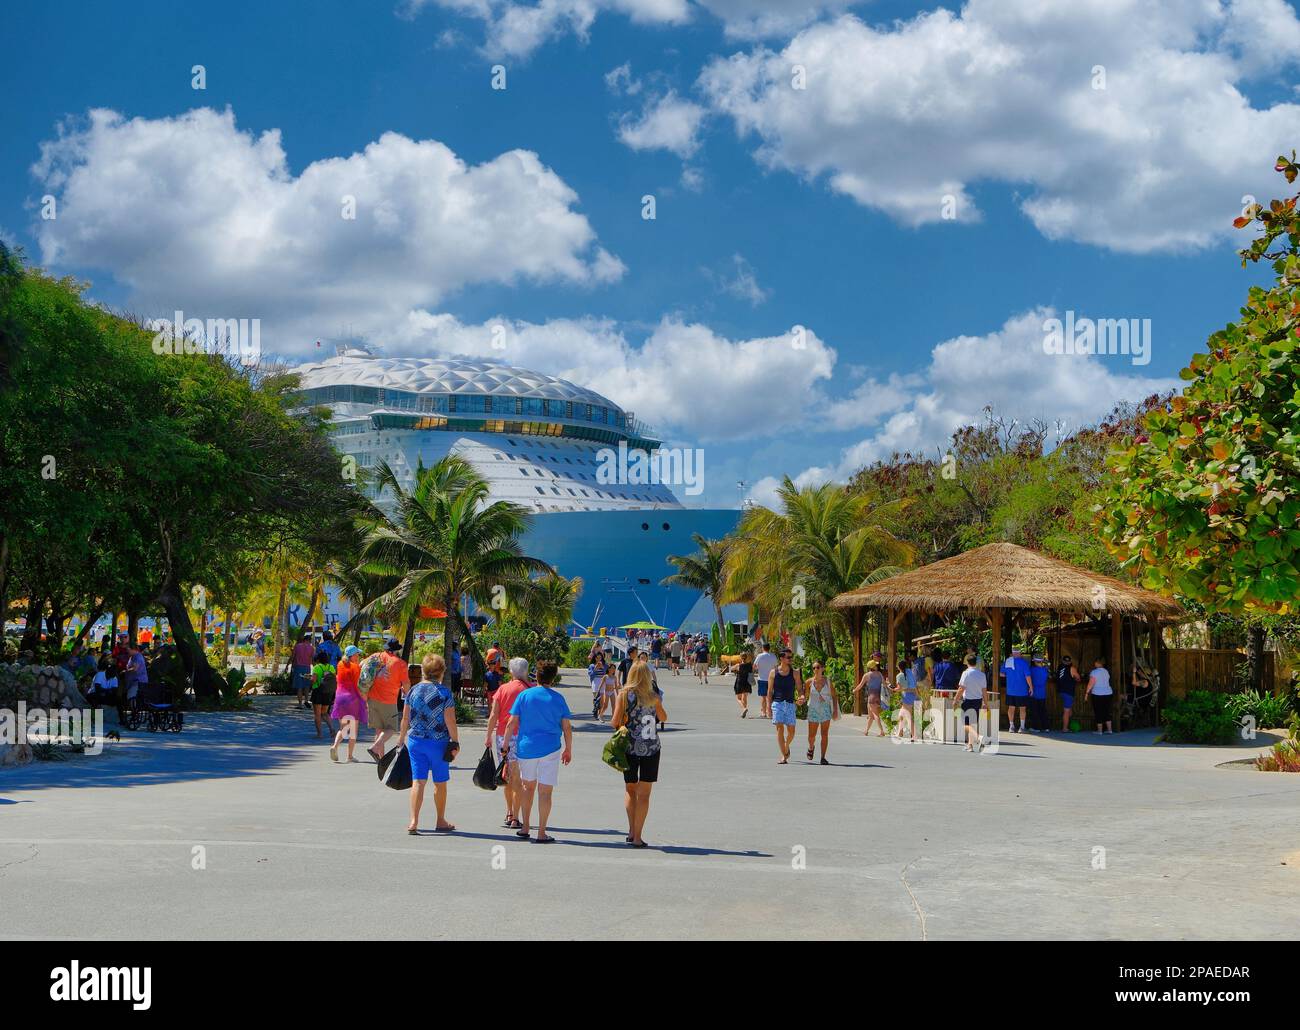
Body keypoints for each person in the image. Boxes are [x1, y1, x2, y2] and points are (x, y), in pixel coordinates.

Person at [503, 660, 572, 844]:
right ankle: (541, 832)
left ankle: (525, 827)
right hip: (550, 748)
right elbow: (566, 727)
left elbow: (512, 722)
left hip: (527, 748)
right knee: (545, 792)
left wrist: (505, 745)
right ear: (553, 677)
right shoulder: (558, 698)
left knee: (528, 788)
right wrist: (568, 749)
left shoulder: (525, 695)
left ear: (537, 676)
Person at [399, 654, 459, 834]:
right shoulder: (444, 693)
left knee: (418, 781)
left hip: (416, 741)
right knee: (440, 783)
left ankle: (414, 821)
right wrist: (455, 741)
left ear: (424, 672)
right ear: (441, 673)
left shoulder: (413, 691)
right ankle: (440, 820)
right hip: (438, 742)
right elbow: (450, 720)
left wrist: (401, 738)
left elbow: (405, 717)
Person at [613, 662, 668, 847]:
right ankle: (637, 836)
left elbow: (614, 722)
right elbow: (664, 717)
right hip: (651, 749)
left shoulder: (623, 695)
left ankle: (630, 830)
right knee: (644, 795)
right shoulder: (654, 696)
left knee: (630, 789)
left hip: (629, 748)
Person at [485, 657, 531, 830]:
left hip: (503, 737)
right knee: (517, 778)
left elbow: (494, 715)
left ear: (511, 671)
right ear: (526, 671)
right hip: (523, 737)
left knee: (507, 776)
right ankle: (516, 817)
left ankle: (509, 812)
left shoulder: (503, 689)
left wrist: (488, 735)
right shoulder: (530, 690)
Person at [366, 638, 410, 761]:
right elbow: (406, 684)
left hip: (372, 698)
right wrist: (408, 694)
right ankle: (375, 748)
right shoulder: (400, 663)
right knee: (391, 728)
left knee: (379, 730)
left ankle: (381, 759)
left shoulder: (376, 656)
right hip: (388, 700)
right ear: (396, 650)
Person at [329, 645, 366, 762]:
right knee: (353, 728)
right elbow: (358, 685)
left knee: (344, 727)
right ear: (353, 656)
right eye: (357, 654)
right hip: (352, 699)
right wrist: (365, 699)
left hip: (340, 698)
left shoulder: (340, 664)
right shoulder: (355, 667)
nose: (358, 656)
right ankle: (350, 756)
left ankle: (335, 746)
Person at [768, 648, 804, 764]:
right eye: (788, 657)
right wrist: (768, 707)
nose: (790, 659)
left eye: (791, 657)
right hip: (777, 703)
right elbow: (769, 691)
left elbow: (799, 688)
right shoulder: (773, 672)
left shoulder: (795, 673)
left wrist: (801, 696)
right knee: (779, 729)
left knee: (791, 731)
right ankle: (784, 756)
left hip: (790, 703)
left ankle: (786, 745)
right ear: (782, 658)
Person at [804, 660, 838, 763]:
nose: (815, 670)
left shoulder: (828, 681)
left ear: (822, 668)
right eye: (814, 668)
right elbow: (805, 696)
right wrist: (801, 700)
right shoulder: (809, 682)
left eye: (818, 667)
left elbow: (834, 696)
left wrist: (835, 710)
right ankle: (811, 747)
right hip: (813, 709)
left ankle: (823, 757)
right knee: (811, 736)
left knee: (824, 734)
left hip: (825, 709)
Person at [955, 653, 987, 752]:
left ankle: (979, 737)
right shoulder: (982, 674)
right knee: (972, 723)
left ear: (967, 663)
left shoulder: (966, 673)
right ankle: (970, 745)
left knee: (965, 724)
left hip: (968, 700)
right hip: (978, 700)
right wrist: (985, 703)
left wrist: (956, 699)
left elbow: (961, 688)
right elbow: (984, 690)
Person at [1002, 646, 1032, 732]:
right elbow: (1028, 676)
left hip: (1011, 690)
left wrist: (1010, 675)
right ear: (1020, 653)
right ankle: (1022, 728)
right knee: (1022, 709)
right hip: (1022, 690)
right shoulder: (1024, 663)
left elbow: (1001, 674)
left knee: (1011, 708)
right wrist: (1031, 687)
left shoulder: (1007, 662)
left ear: (1012, 653)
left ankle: (1011, 726)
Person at [853, 659, 886, 737]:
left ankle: (881, 731)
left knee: (875, 714)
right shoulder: (880, 674)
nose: (877, 666)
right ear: (873, 666)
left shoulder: (867, 675)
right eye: (876, 665)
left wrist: (854, 690)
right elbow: (884, 684)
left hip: (871, 697)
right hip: (878, 697)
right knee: (871, 716)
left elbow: (860, 685)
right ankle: (866, 731)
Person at [309, 649, 337, 739]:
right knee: (325, 713)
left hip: (318, 691)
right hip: (328, 693)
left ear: (318, 659)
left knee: (317, 714)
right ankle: (332, 728)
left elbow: (313, 680)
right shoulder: (331, 667)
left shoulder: (317, 667)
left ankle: (319, 734)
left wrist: (310, 680)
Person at [1085, 657, 1114, 734]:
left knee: (1098, 711)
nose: (1094, 664)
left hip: (1098, 694)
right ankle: (1109, 730)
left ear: (1098, 663)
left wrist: (1087, 693)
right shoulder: (1106, 671)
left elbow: (1090, 684)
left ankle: (1099, 731)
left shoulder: (1094, 672)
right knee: (1106, 711)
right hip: (1108, 693)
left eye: (1095, 662)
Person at [894, 651, 918, 742]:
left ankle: (914, 735)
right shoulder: (909, 671)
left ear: (899, 667)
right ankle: (899, 732)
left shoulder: (899, 676)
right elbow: (913, 684)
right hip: (912, 694)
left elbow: (899, 688)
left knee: (908, 716)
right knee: (901, 715)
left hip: (906, 695)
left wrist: (892, 688)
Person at [752, 642, 778, 720]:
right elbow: (776, 667)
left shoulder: (760, 656)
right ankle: (769, 711)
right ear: (769, 648)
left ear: (763, 648)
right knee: (770, 696)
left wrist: (758, 669)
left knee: (763, 697)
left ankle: (763, 712)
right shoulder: (773, 656)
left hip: (762, 678)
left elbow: (754, 666)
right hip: (771, 679)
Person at [1056, 654, 1080, 732]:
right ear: (1070, 662)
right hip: (1068, 692)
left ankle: (1069, 725)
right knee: (1066, 711)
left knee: (1069, 710)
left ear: (1062, 661)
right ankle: (1065, 728)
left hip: (1060, 691)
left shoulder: (1059, 667)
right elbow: (1078, 678)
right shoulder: (1072, 668)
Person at [291, 634, 315, 709]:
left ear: (304, 639)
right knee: (307, 686)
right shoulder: (311, 648)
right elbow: (312, 659)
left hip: (298, 668)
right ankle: (306, 700)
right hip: (307, 668)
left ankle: (300, 704)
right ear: (309, 640)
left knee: (299, 687)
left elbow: (293, 656)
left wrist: (290, 665)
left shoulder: (298, 646)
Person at [1029, 654, 1050, 732]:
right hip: (1042, 693)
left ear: (1035, 661)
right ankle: (1046, 727)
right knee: (1043, 711)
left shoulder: (1032, 670)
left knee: (1035, 711)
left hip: (1034, 693)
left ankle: (1036, 727)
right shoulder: (1045, 670)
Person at [732, 649, 754, 718]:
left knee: (739, 698)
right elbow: (752, 671)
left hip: (740, 682)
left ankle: (744, 709)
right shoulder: (750, 665)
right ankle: (744, 710)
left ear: (740, 657)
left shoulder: (738, 665)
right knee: (744, 697)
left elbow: (732, 669)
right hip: (747, 682)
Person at [588, 652, 608, 718]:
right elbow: (590, 674)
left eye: (600, 657)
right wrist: (595, 669)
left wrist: (603, 667)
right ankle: (595, 710)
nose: (599, 659)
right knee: (596, 697)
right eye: (597, 658)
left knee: (602, 698)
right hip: (595, 681)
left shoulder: (605, 665)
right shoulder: (592, 665)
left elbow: (607, 674)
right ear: (595, 658)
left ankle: (600, 713)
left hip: (602, 681)